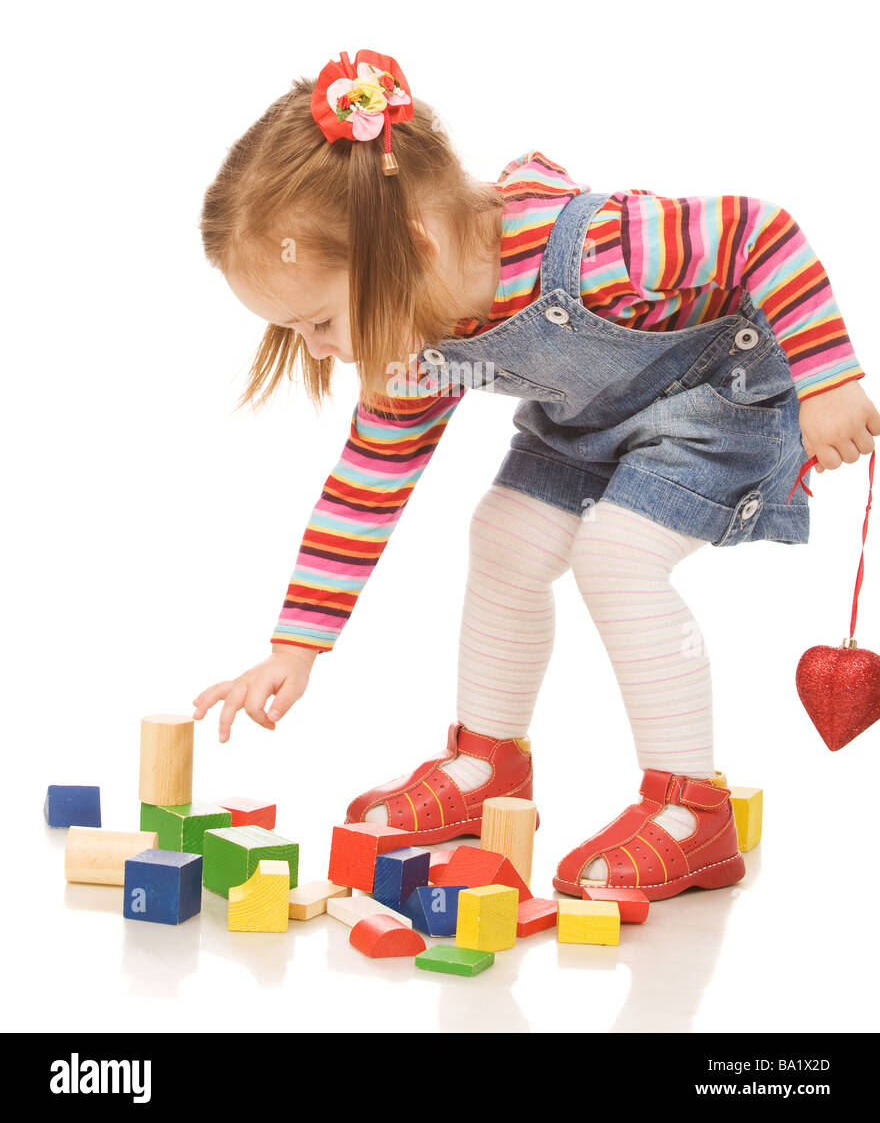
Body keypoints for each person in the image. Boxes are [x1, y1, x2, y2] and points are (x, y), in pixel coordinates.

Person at [194, 48, 877, 900]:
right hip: (588, 427)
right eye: (297, 332)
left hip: (718, 402)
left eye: (321, 320)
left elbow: (756, 231)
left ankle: (691, 809)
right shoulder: (418, 343)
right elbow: (367, 480)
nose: (321, 350)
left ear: (411, 247)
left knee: (616, 560)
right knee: (504, 539)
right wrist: (295, 646)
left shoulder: (597, 248)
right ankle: (487, 765)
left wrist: (829, 379)